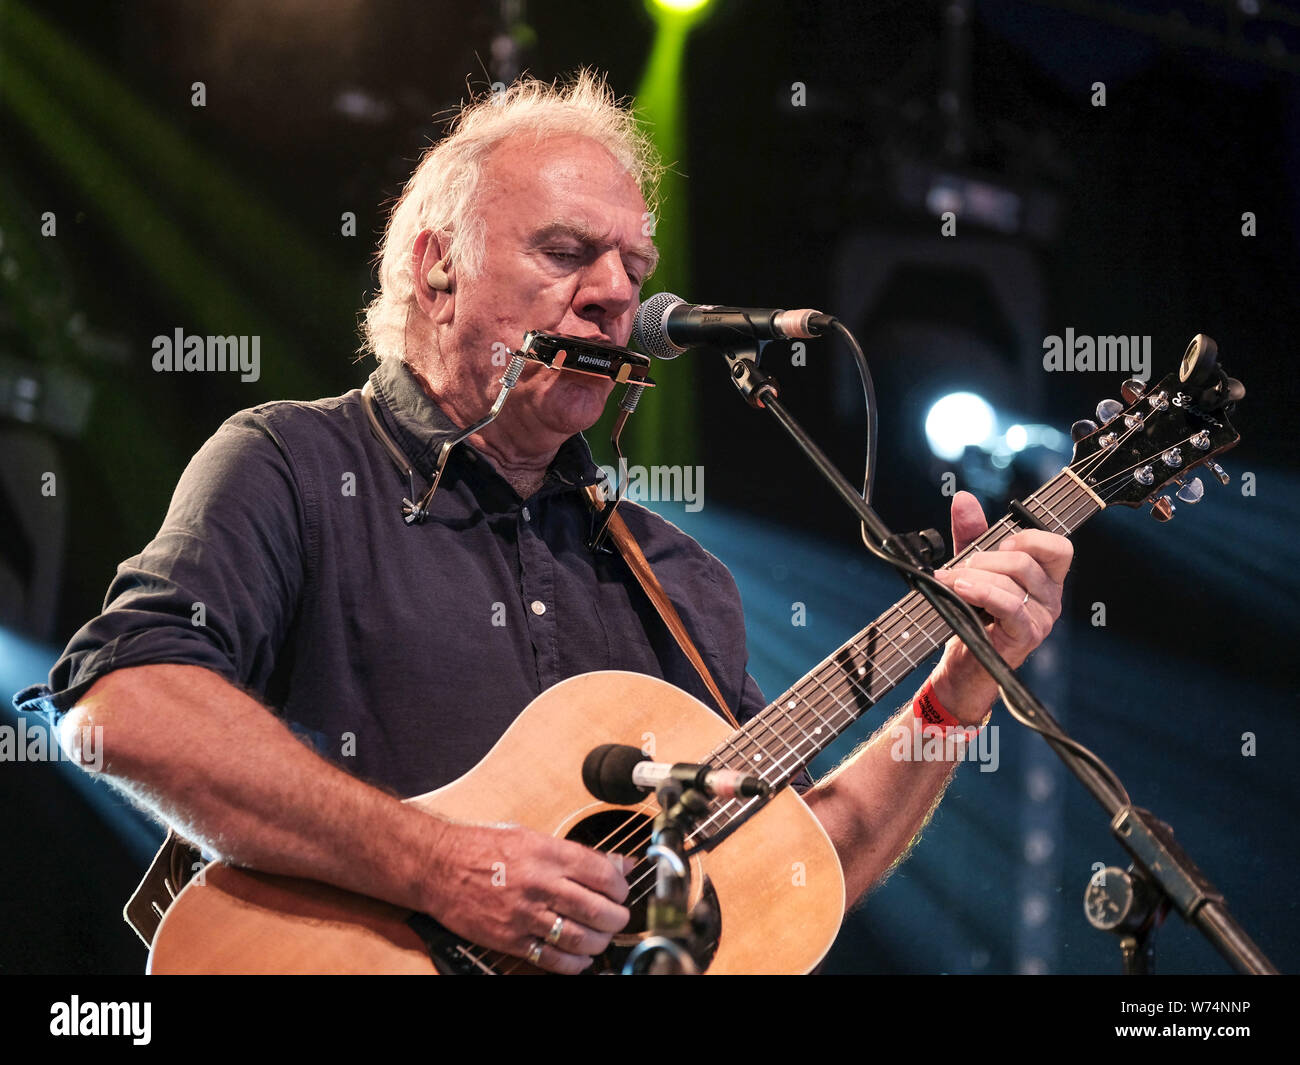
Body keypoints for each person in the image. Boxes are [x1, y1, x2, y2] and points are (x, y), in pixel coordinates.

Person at [16, 72, 1072, 974]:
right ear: (438, 268)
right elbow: (129, 706)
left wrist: (952, 695)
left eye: (635, 270)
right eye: (568, 253)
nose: (615, 296)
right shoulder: (294, 463)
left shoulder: (676, 578)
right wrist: (439, 867)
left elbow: (797, 869)